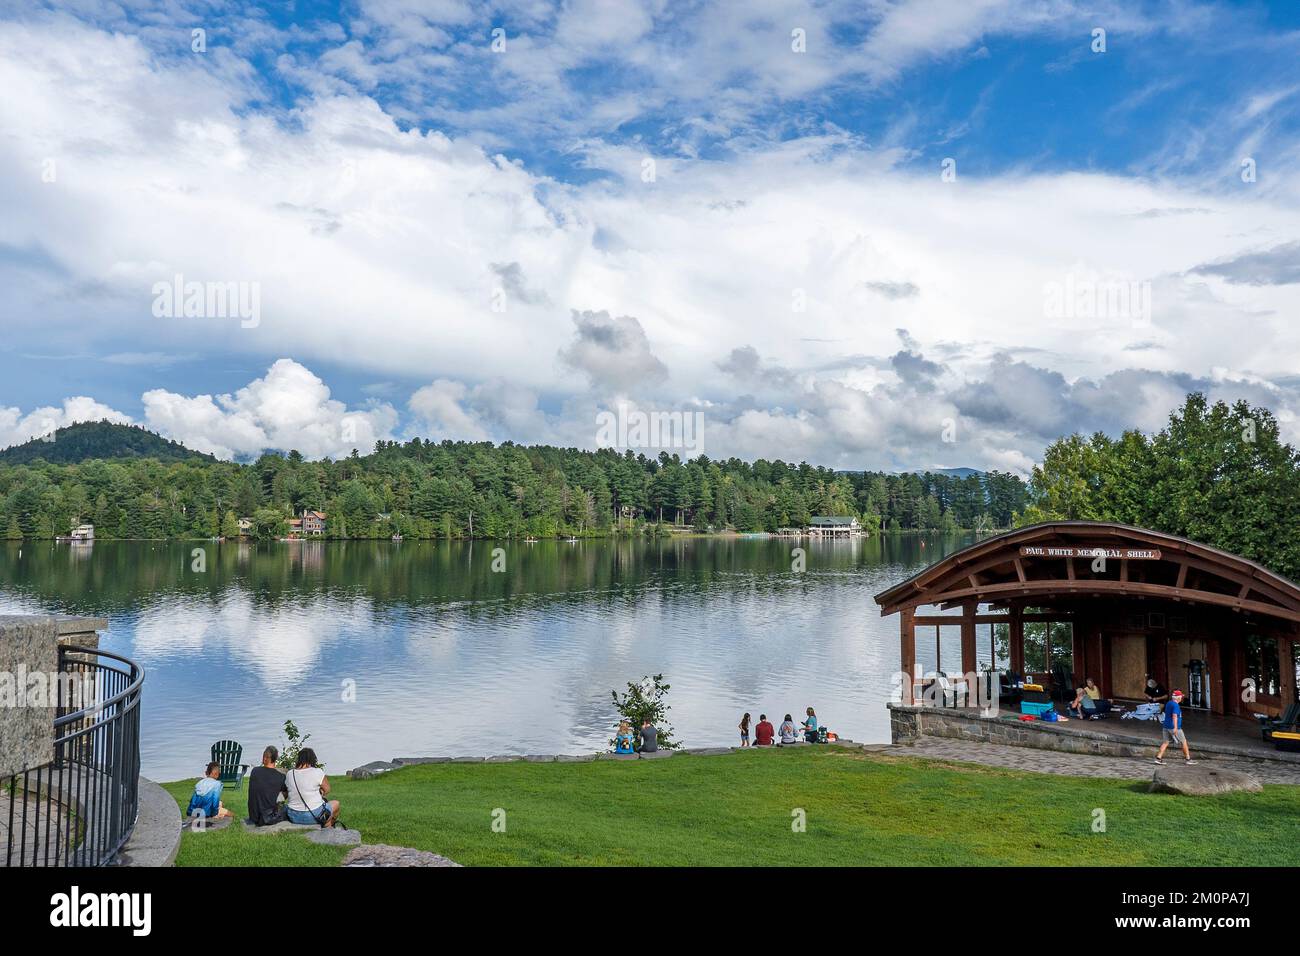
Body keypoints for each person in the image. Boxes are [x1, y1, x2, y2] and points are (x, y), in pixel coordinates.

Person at [284, 748, 339, 827]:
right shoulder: (317, 771)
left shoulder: (289, 773)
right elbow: (327, 790)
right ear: (312, 759)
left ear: (299, 759)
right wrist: (320, 791)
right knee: (336, 804)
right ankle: (328, 824)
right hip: (314, 816)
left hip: (293, 816)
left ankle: (327, 824)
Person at [246, 745, 288, 826]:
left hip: (253, 816)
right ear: (275, 759)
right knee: (287, 807)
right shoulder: (281, 776)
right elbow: (286, 793)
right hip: (267, 817)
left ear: (264, 758)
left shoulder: (255, 771)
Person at [1155, 689, 1194, 765]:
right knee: (1183, 742)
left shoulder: (1169, 703)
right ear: (1178, 698)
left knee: (1166, 742)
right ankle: (1188, 759)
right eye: (1181, 697)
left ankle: (1158, 758)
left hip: (1166, 726)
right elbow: (1175, 716)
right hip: (1174, 727)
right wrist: (1175, 728)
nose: (1181, 698)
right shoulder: (1176, 705)